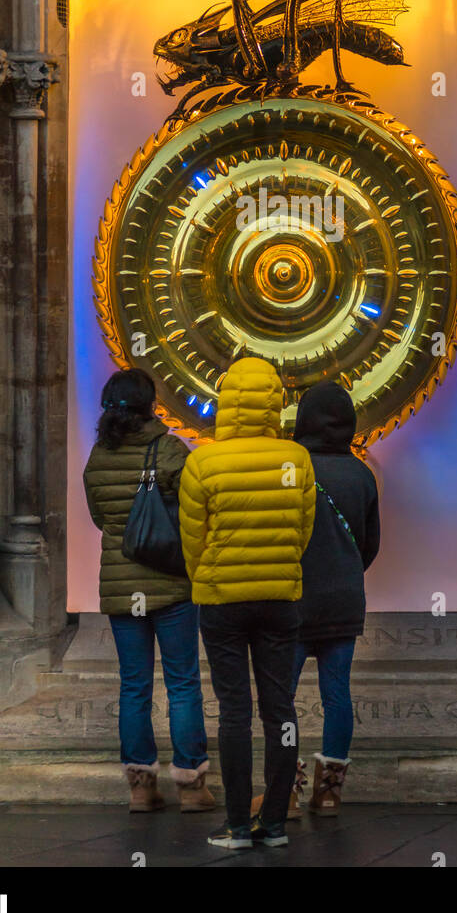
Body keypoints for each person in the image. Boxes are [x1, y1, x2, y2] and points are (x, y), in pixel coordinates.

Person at [179, 357, 316, 849]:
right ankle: (275, 823)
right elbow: (303, 532)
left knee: (233, 711)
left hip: (222, 602)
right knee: (280, 709)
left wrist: (211, 580)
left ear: (227, 402)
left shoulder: (203, 461)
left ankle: (237, 825)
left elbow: (192, 541)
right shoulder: (295, 459)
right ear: (275, 402)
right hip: (280, 599)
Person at [83, 367, 214, 814]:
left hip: (121, 589)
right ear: (150, 403)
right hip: (172, 586)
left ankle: (141, 786)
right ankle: (192, 786)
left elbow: (101, 519)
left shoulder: (99, 456)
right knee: (182, 684)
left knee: (134, 685)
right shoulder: (172, 450)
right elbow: (196, 515)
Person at [288, 380, 380, 814]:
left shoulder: (289, 467)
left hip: (293, 598)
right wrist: (343, 571)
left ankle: (284, 787)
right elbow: (370, 545)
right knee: (337, 695)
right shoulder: (361, 474)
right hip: (343, 598)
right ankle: (329, 791)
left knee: (280, 696)